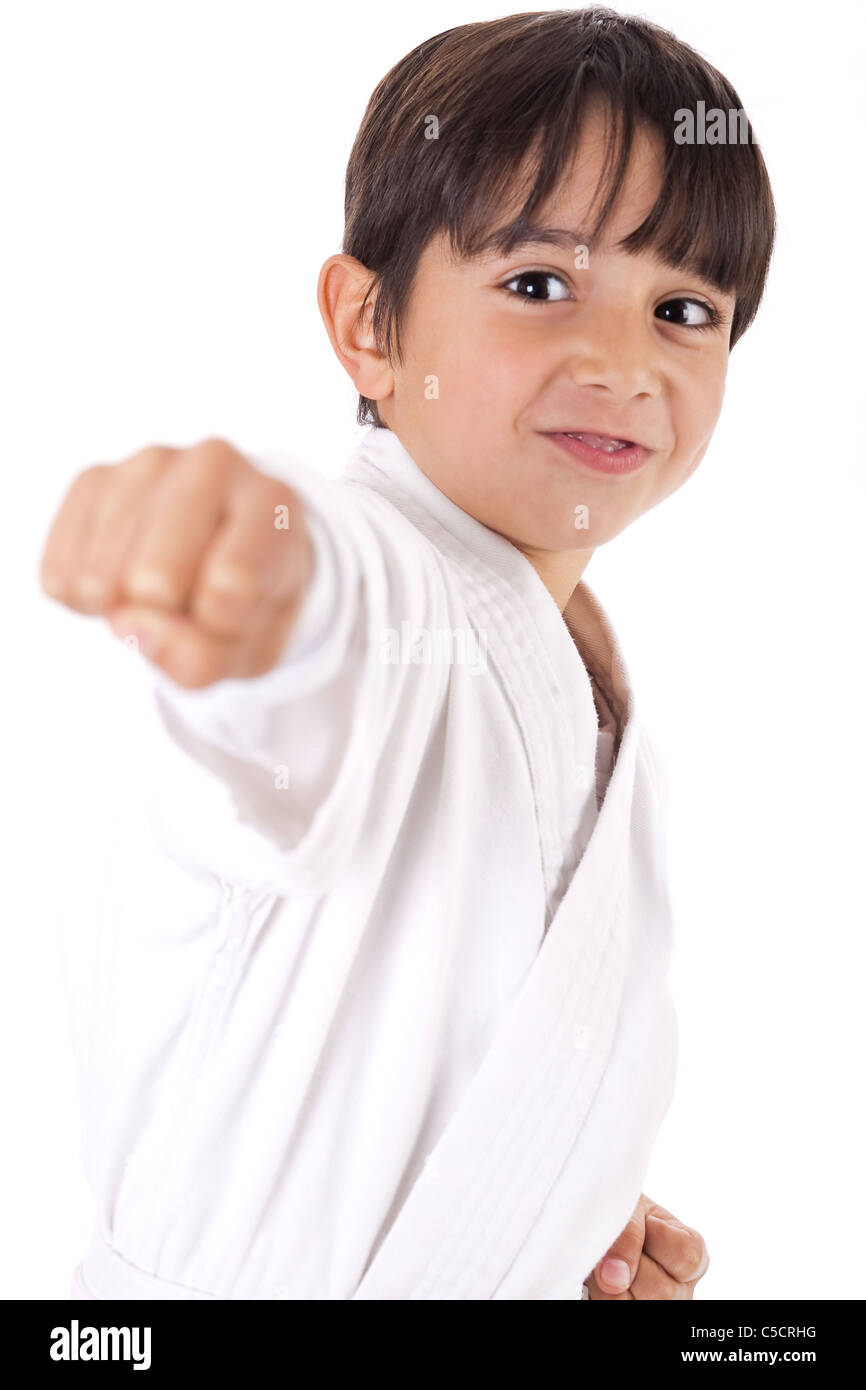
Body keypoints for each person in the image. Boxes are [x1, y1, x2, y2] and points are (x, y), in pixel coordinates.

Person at [41, 7, 774, 1299]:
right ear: (368, 325)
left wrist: (559, 1206)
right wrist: (251, 574)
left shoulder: (600, 715)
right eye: (538, 284)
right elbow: (310, 652)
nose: (620, 360)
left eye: (682, 307)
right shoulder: (373, 598)